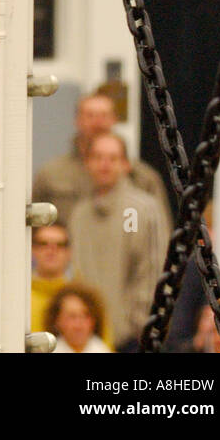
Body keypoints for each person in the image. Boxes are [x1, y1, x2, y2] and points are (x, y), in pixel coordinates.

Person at [69, 131, 169, 352]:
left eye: (113, 158)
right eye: (98, 157)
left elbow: (153, 271)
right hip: (86, 337)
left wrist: (139, 325)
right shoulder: (79, 213)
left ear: (126, 164)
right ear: (87, 163)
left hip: (131, 337)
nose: (105, 164)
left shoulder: (141, 209)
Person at [33, 89, 171, 230]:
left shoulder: (142, 178)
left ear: (115, 120)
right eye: (90, 115)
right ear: (77, 120)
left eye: (104, 115)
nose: (98, 122)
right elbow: (33, 226)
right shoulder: (50, 175)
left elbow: (159, 229)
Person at [46, 283, 112, 354]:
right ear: (57, 321)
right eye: (72, 316)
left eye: (86, 316)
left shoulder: (102, 349)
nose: (78, 325)